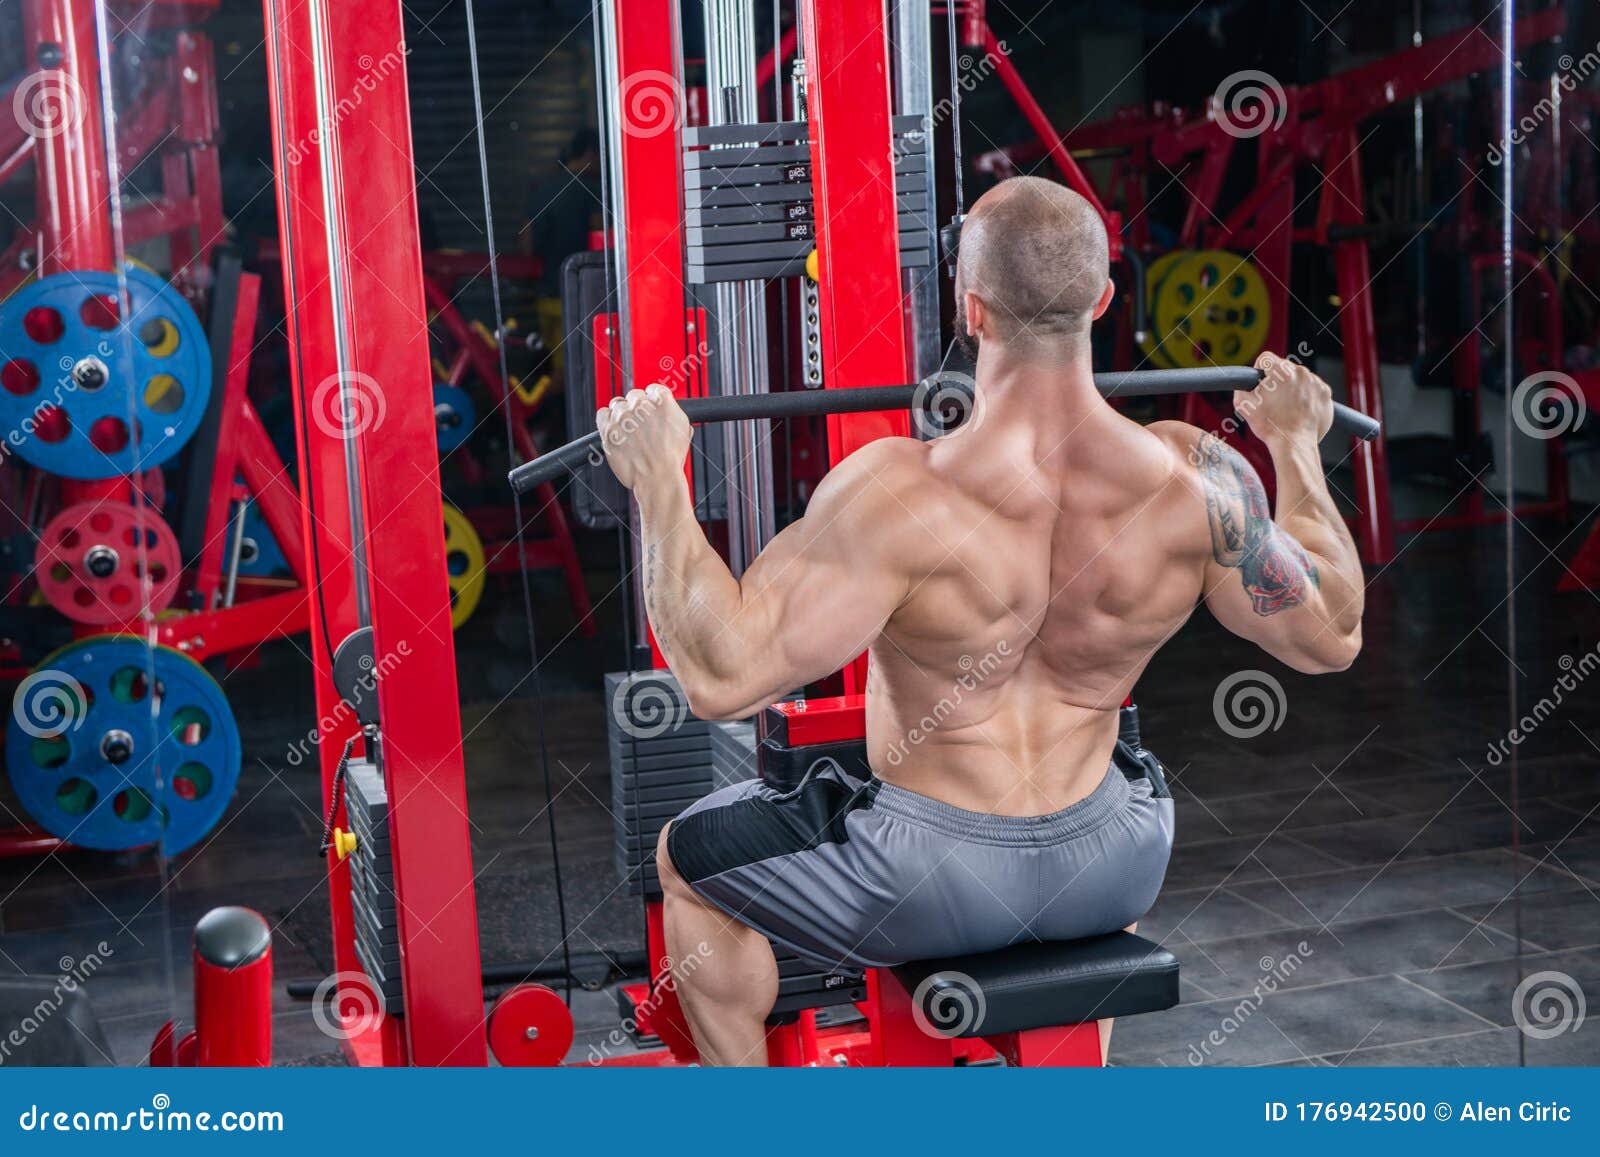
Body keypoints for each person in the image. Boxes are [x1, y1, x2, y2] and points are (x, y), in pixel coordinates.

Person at [595, 175, 1365, 1066]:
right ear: (1106, 299)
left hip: (923, 883)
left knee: (687, 860)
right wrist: (1298, 447)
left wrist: (659, 479)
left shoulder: (898, 493)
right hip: (1111, 864)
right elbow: (1332, 633)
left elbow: (718, 674)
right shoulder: (1199, 477)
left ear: (972, 310)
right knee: (1130, 769)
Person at [525, 129, 601, 376]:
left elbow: (526, 242)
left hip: (546, 297)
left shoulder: (543, 187)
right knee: (573, 373)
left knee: (556, 368)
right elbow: (603, 240)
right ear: (590, 154)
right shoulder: (591, 189)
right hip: (578, 299)